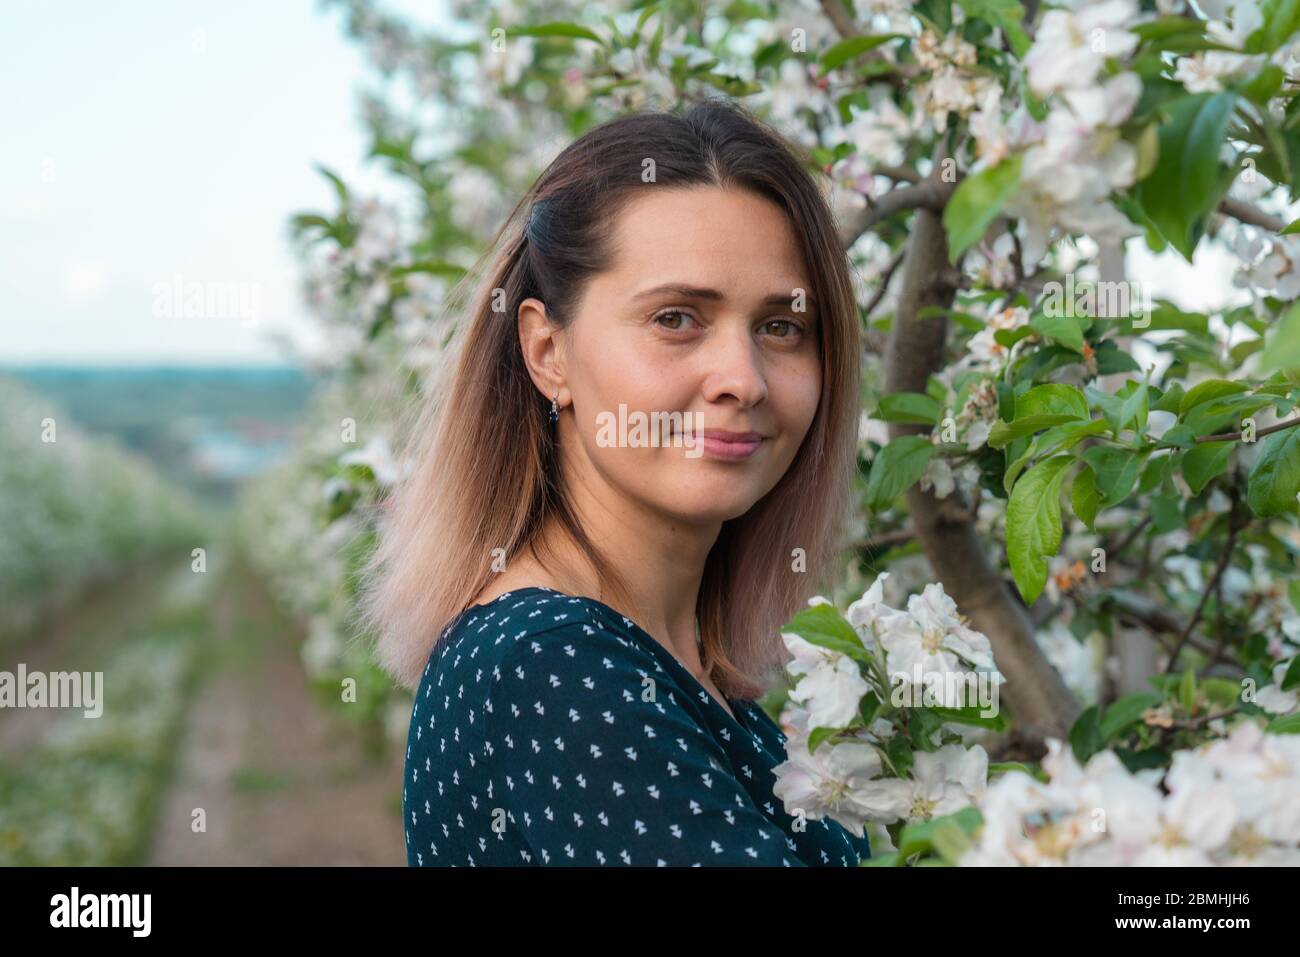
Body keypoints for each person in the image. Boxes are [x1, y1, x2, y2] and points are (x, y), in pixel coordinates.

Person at [360, 98, 867, 865]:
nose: (743, 379)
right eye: (676, 318)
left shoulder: (679, 665)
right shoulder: (553, 665)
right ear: (548, 353)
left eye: (782, 326)